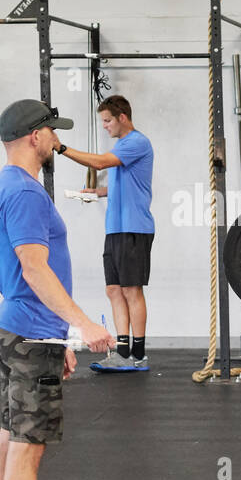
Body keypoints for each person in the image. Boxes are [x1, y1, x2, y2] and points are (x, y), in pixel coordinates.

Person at [0, 100, 114, 480]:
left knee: (10, 439)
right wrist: (81, 324)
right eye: (50, 133)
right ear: (34, 136)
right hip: (30, 333)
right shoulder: (25, 193)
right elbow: (34, 268)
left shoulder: (8, 184)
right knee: (26, 450)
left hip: (22, 330)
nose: (54, 141)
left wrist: (60, 336)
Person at [56, 95, 154, 371]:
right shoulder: (122, 146)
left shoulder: (137, 142)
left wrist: (61, 148)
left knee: (131, 290)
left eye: (108, 120)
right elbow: (129, 184)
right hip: (115, 228)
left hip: (134, 227)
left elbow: (99, 163)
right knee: (113, 289)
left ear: (122, 117)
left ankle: (139, 354)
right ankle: (123, 353)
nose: (105, 126)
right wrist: (98, 192)